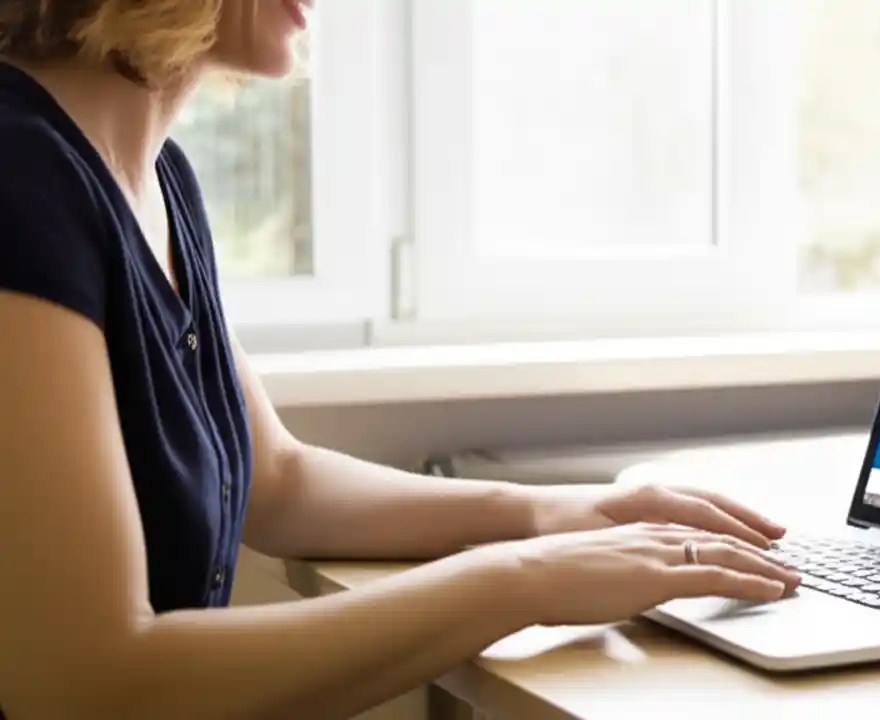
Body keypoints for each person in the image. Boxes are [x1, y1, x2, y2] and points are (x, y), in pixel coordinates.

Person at [0, 1, 800, 716]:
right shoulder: (22, 177)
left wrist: (556, 513)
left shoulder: (153, 174)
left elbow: (273, 480)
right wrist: (526, 578)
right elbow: (85, 681)